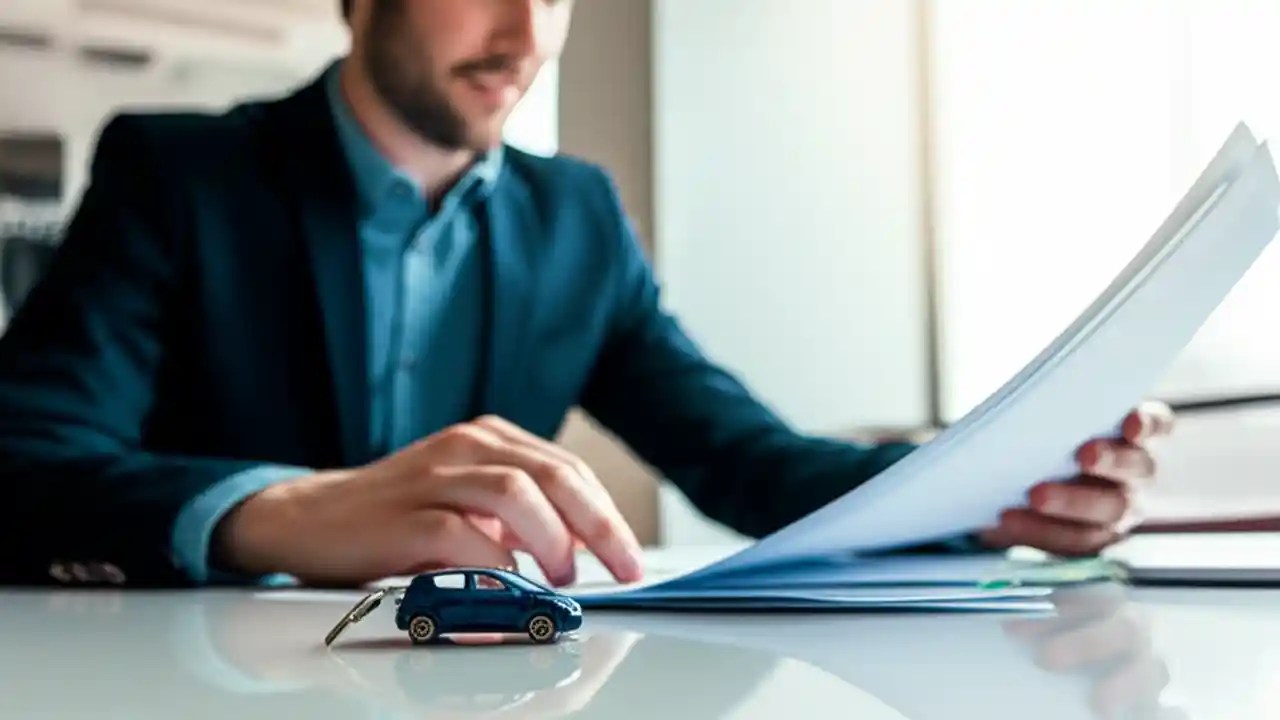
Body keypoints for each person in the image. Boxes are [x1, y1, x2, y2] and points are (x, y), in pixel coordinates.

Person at [0, 0, 1172, 589]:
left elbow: (747, 461)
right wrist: (289, 510)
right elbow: (25, 457)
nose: (525, 37)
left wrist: (982, 489)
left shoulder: (576, 219)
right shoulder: (180, 174)